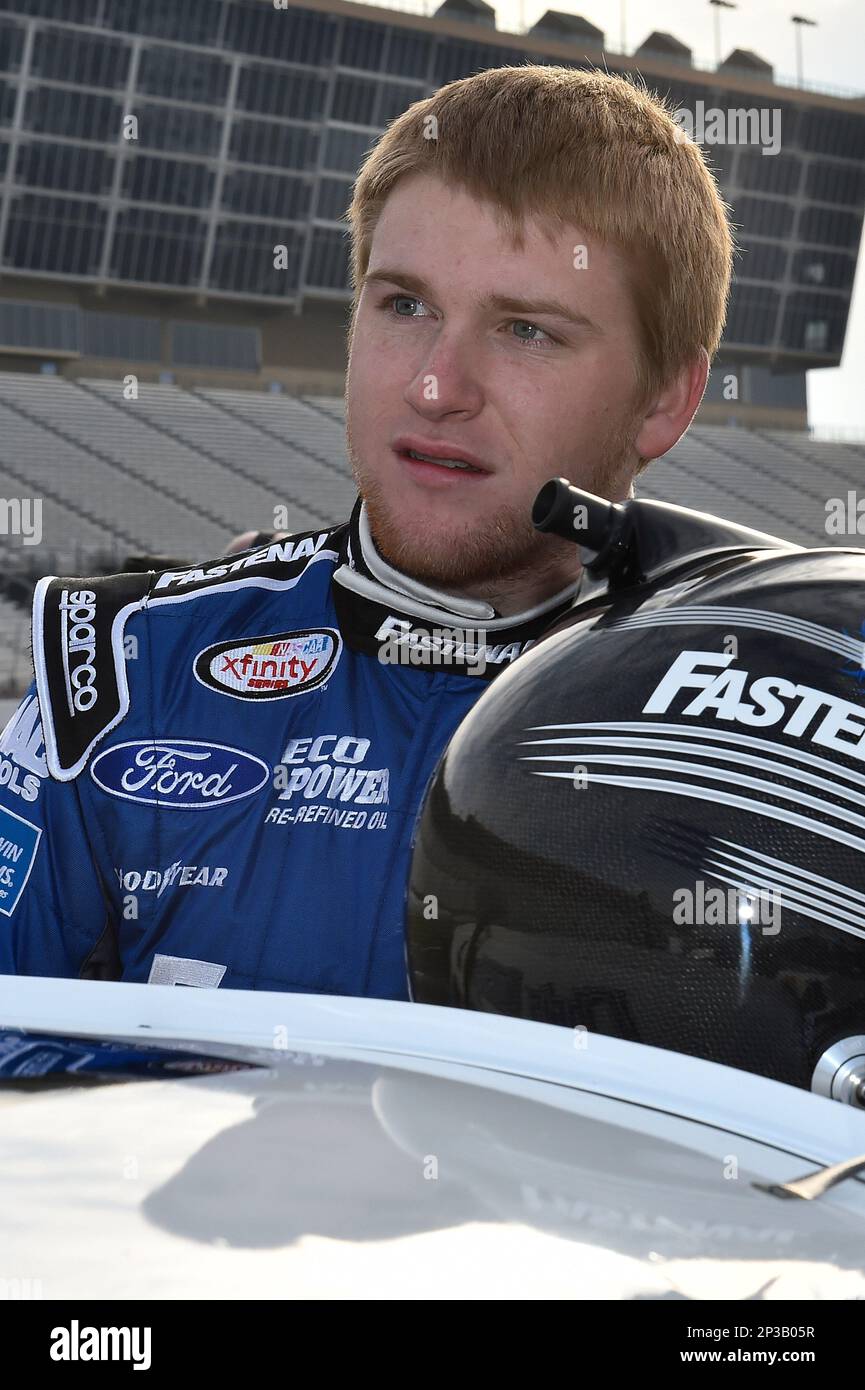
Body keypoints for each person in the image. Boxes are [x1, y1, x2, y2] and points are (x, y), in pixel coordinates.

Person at [0, 65, 732, 995]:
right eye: (405, 306)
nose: (434, 386)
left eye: (526, 331)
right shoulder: (121, 674)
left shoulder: (762, 734)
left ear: (664, 399)